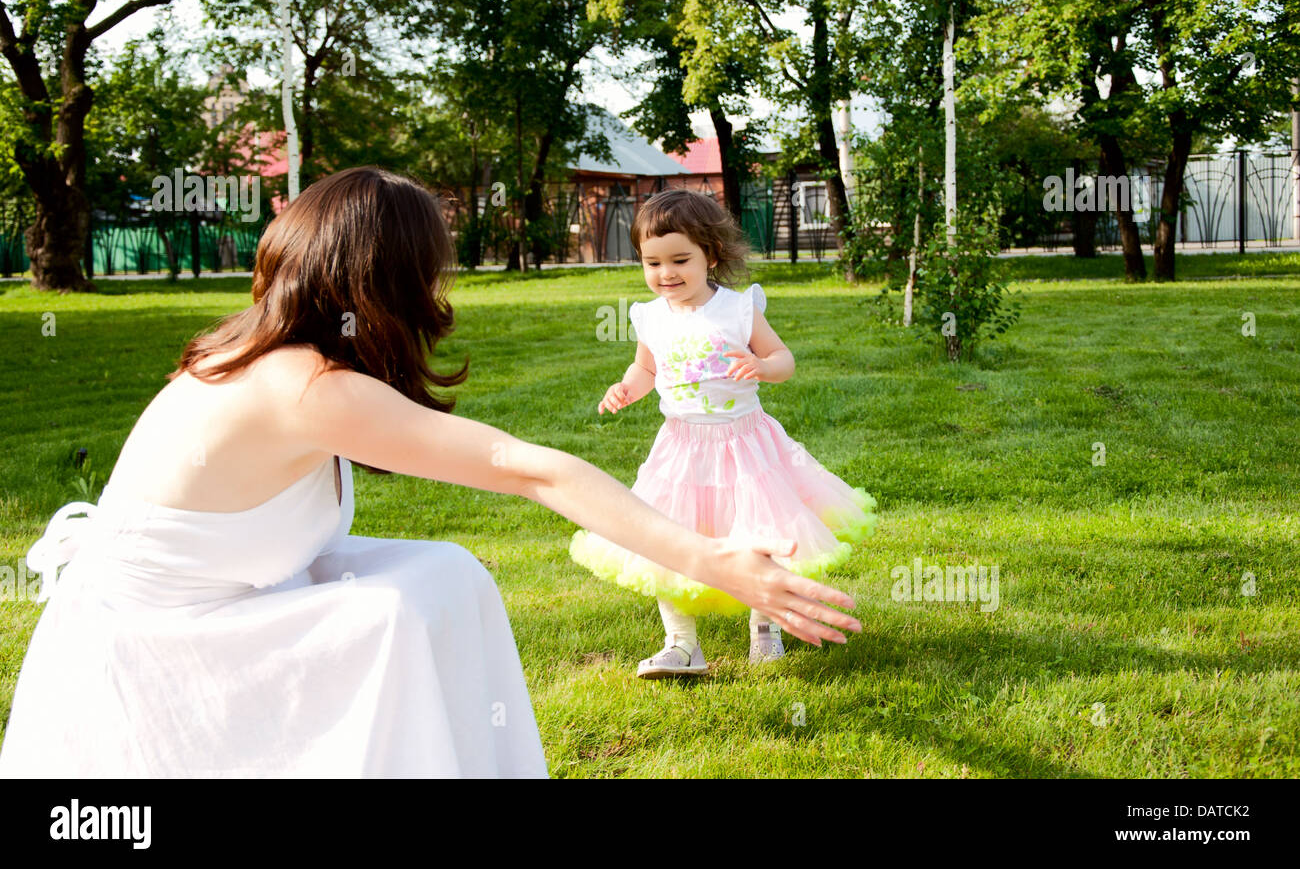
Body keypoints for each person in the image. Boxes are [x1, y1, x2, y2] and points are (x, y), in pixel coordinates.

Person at [0, 167, 863, 779]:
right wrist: (712, 559)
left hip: (213, 601)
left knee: (444, 571)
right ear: (386, 280)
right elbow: (529, 470)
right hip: (157, 654)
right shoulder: (304, 384)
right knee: (396, 605)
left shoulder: (262, 349)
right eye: (428, 271)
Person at [569, 189, 878, 679]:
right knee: (666, 536)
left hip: (745, 444)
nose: (665, 273)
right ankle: (682, 643)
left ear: (710, 255)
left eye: (679, 260)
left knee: (762, 532)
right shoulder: (650, 316)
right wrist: (626, 389)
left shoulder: (737, 309)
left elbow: (784, 359)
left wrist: (760, 365)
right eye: (652, 262)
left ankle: (765, 626)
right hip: (680, 448)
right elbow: (645, 369)